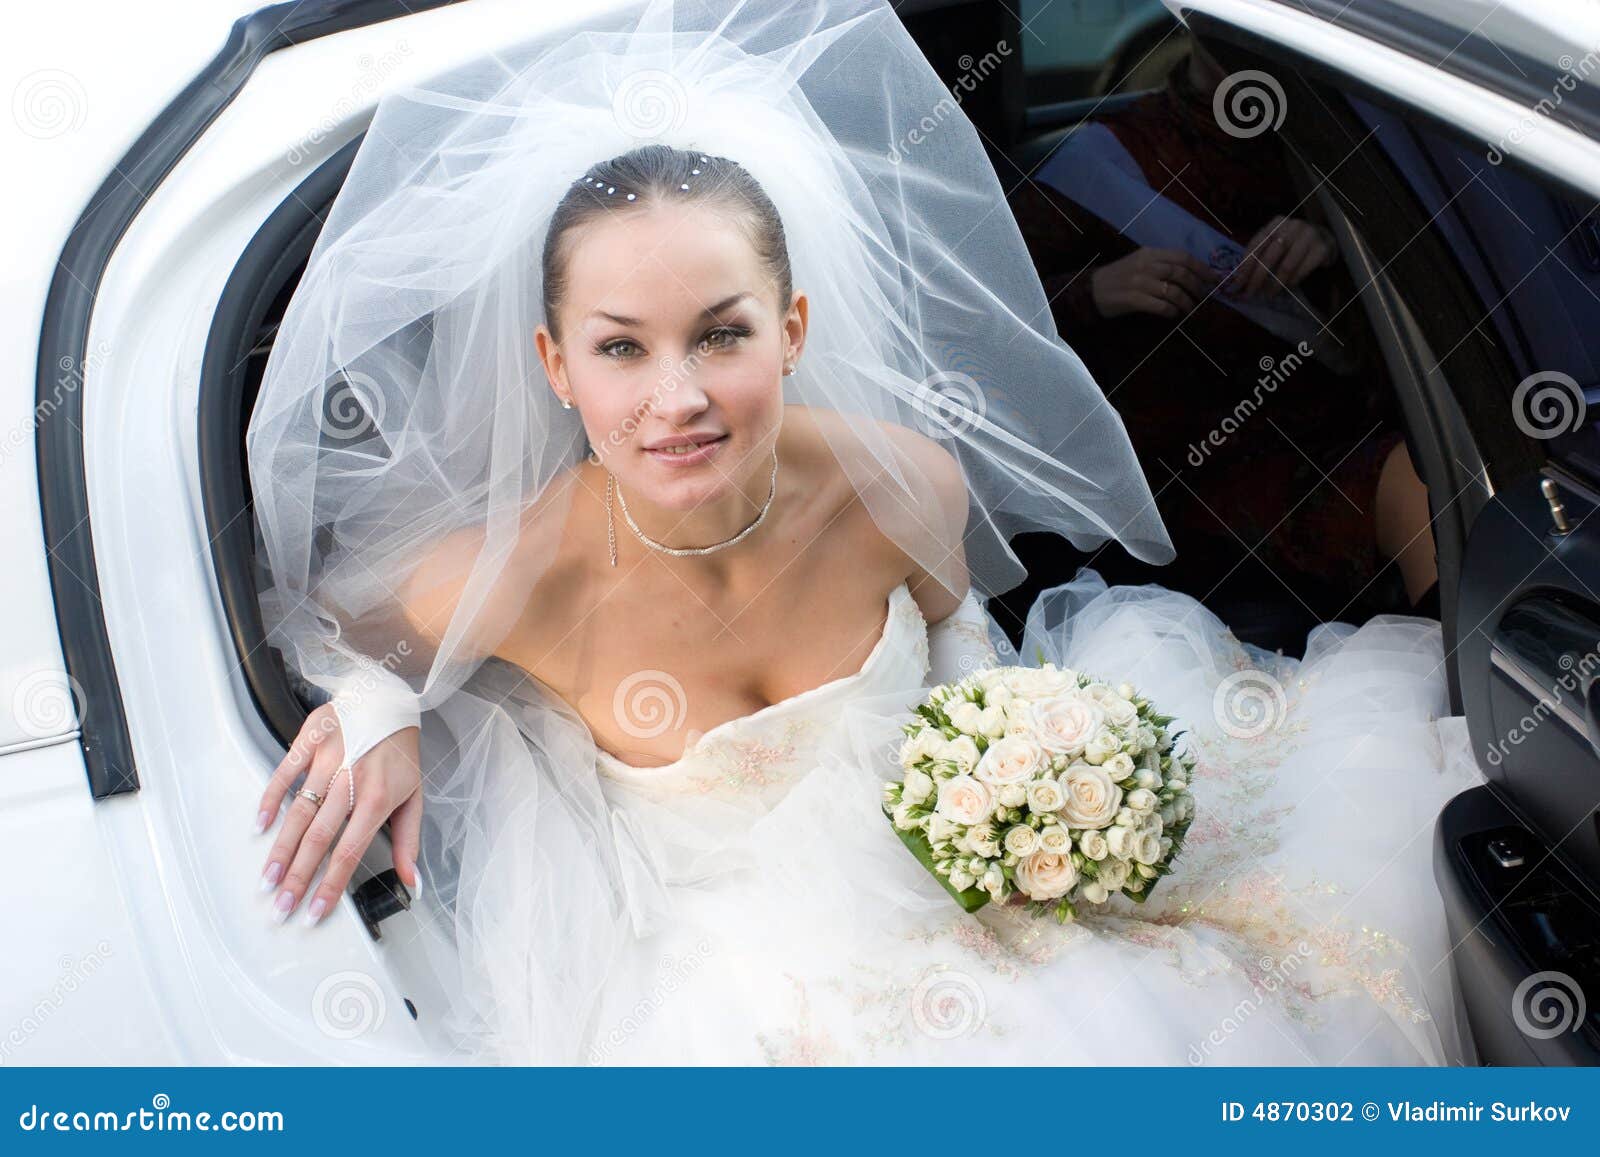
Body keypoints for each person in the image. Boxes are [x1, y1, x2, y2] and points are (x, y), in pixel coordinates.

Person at [246, 0, 1483, 1064]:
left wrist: (1030, 793)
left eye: (720, 333)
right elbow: (327, 625)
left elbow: (959, 643)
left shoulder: (905, 480)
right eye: (621, 346)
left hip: (988, 910)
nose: (675, 398)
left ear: (788, 329)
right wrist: (379, 710)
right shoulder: (511, 570)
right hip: (725, 985)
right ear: (554, 366)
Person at [1006, 41, 1440, 625]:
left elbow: (1422, 310)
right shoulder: (1113, 152)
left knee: (1422, 478)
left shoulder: (1336, 134)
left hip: (1330, 425)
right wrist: (1098, 289)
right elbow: (988, 313)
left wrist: (1335, 250)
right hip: (1188, 462)